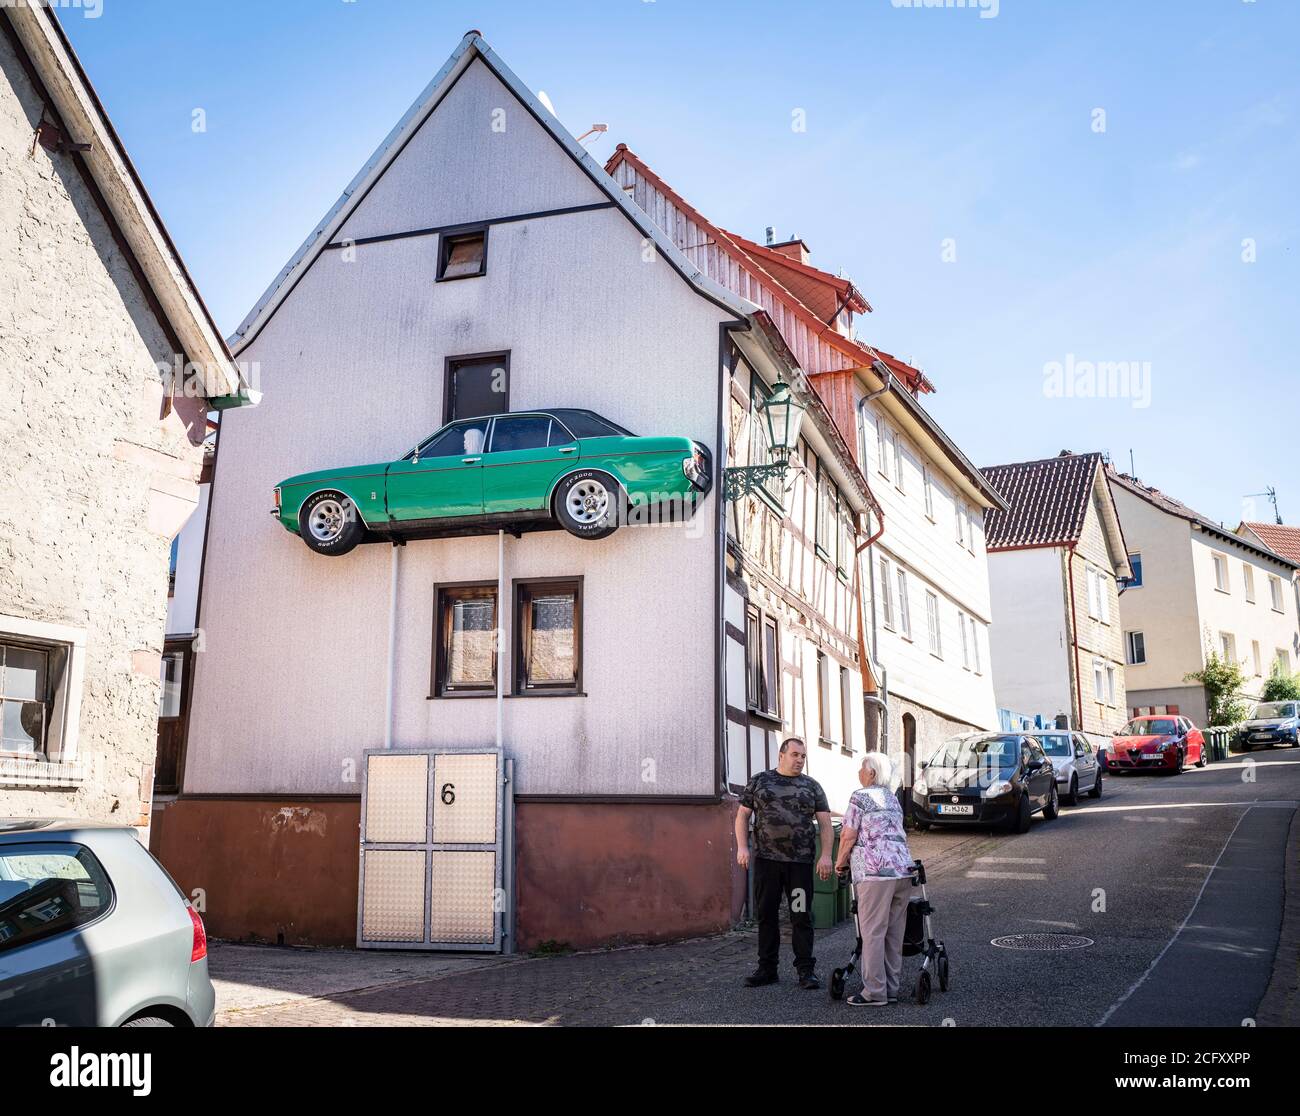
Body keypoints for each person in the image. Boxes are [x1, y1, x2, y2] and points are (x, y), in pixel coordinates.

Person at [736, 738, 833, 990]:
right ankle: (767, 969)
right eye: (795, 754)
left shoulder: (812, 786)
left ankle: (805, 971)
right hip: (767, 863)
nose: (800, 760)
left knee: (800, 916)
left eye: (803, 756)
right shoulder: (760, 781)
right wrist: (743, 847)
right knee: (766, 915)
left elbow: (824, 823)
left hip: (799, 866)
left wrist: (826, 856)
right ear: (781, 755)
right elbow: (742, 815)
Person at [833, 751, 914, 1006]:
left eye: (861, 768)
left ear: (870, 773)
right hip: (902, 871)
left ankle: (874, 993)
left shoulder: (860, 796)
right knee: (893, 933)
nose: (858, 772)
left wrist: (840, 862)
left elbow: (847, 835)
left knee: (873, 932)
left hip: (875, 872)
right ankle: (891, 988)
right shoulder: (891, 798)